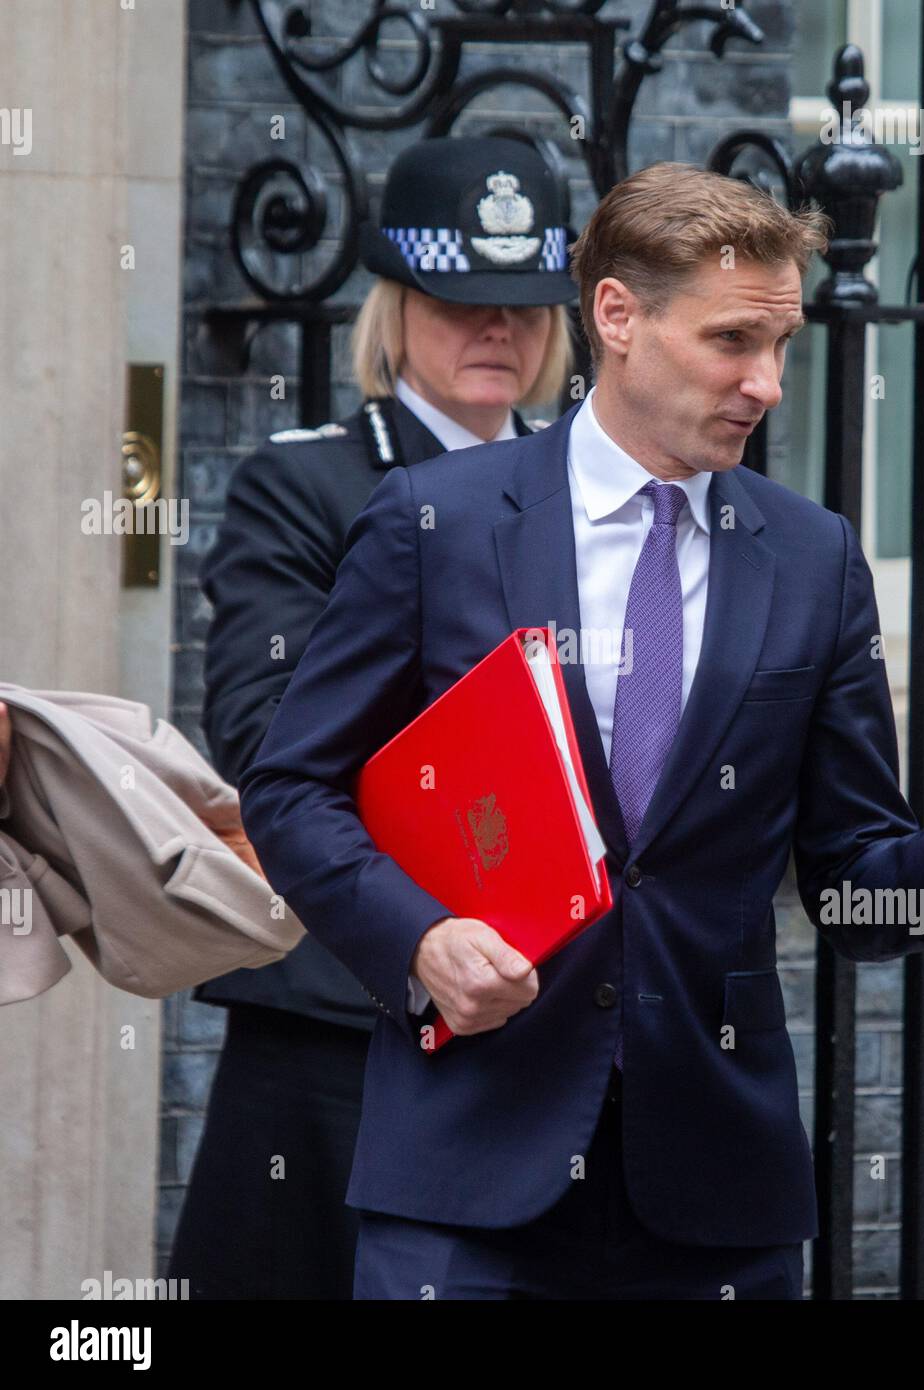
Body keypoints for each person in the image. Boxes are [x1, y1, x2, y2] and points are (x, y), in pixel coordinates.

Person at [237, 161, 924, 1300]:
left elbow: (853, 877)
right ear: (618, 315)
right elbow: (291, 790)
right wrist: (419, 943)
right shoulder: (442, 524)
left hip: (717, 1192)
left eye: (782, 344)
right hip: (467, 1176)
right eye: (731, 342)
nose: (766, 383)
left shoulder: (813, 559)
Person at [167, 135, 576, 1299]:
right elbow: (265, 734)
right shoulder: (308, 483)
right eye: (461, 302)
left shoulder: (585, 495)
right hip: (344, 1011)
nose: (497, 330)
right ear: (397, 308)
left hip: (541, 1003)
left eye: (526, 304)